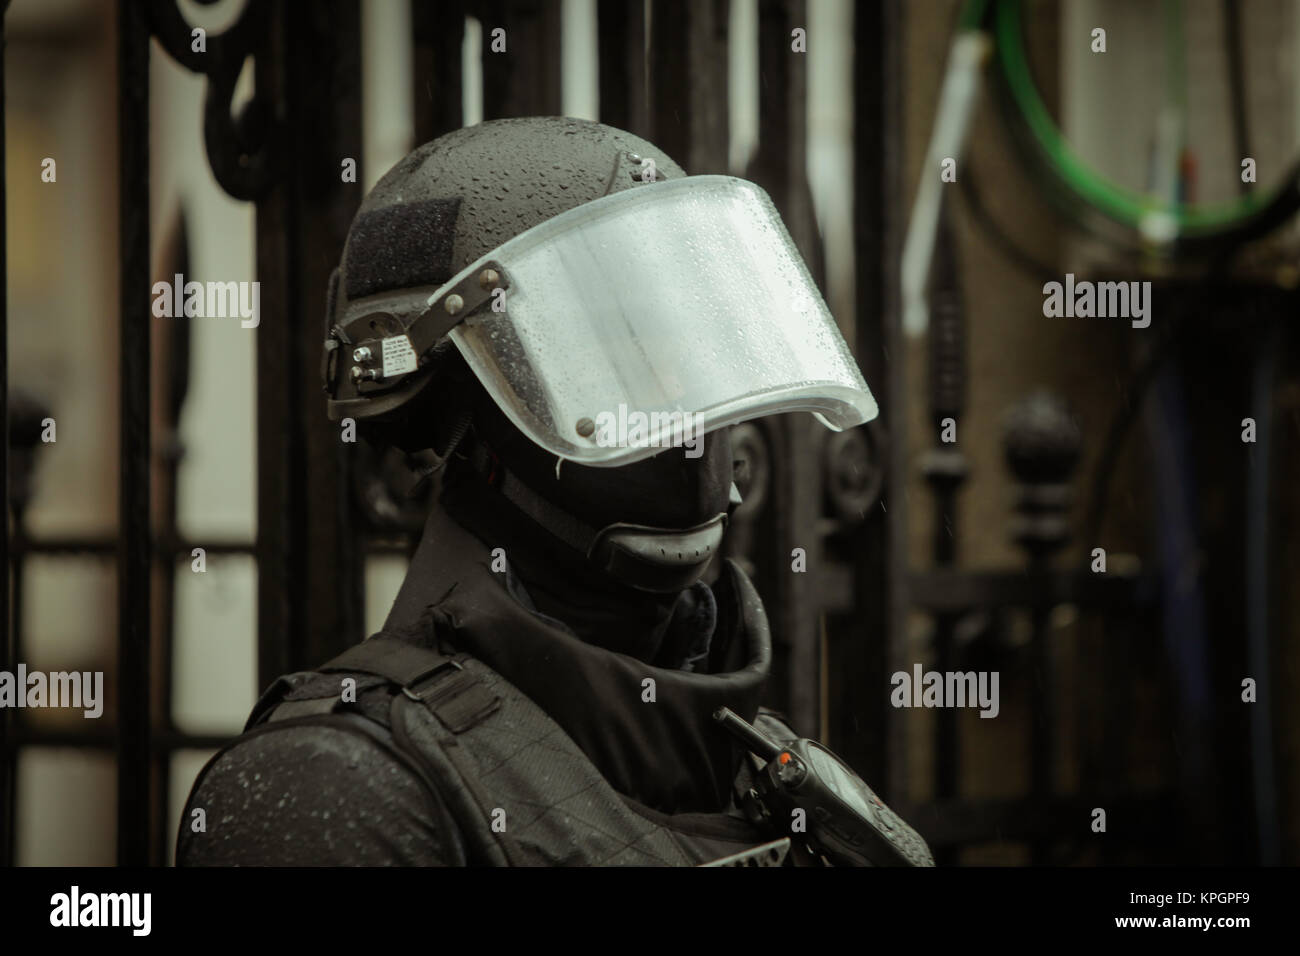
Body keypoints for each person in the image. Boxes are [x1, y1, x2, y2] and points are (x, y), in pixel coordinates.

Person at [177, 116, 927, 866]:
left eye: (694, 346)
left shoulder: (766, 773)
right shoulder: (331, 789)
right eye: (608, 350)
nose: (682, 407)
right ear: (445, 415)